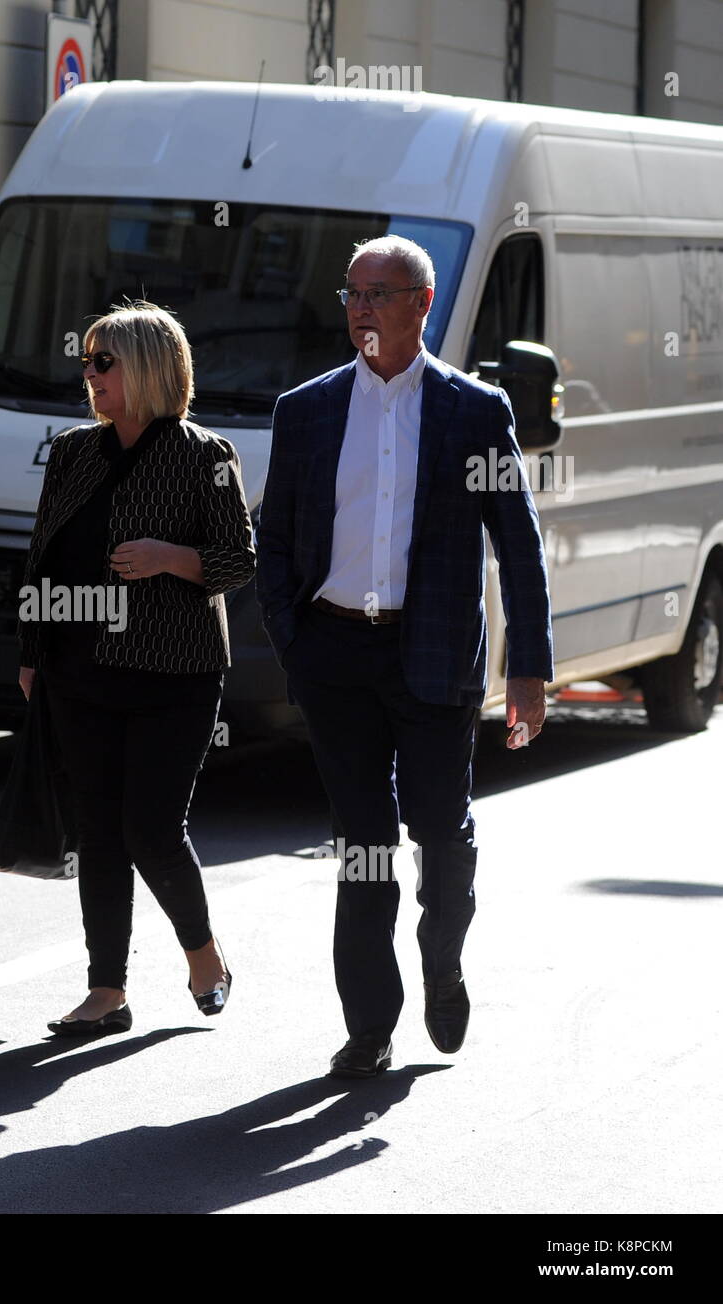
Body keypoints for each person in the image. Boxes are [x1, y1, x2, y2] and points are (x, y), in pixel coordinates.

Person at [256, 235, 553, 1078]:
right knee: (363, 844)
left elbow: (519, 548)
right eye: (352, 293)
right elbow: (273, 541)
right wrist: (297, 642)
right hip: (336, 657)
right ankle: (370, 1027)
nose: (360, 309)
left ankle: (442, 958)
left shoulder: (474, 410)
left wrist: (528, 670)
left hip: (431, 655)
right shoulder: (306, 410)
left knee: (441, 835)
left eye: (379, 294)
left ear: (422, 305)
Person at [18, 301, 255, 1036]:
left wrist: (169, 559)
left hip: (172, 671)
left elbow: (238, 560)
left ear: (150, 369)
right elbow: (43, 554)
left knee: (151, 827)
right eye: (87, 362)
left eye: (103, 362)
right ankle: (106, 990)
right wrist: (30, 652)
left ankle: (204, 955)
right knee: (99, 829)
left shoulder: (205, 455)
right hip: (77, 665)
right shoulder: (71, 452)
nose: (89, 376)